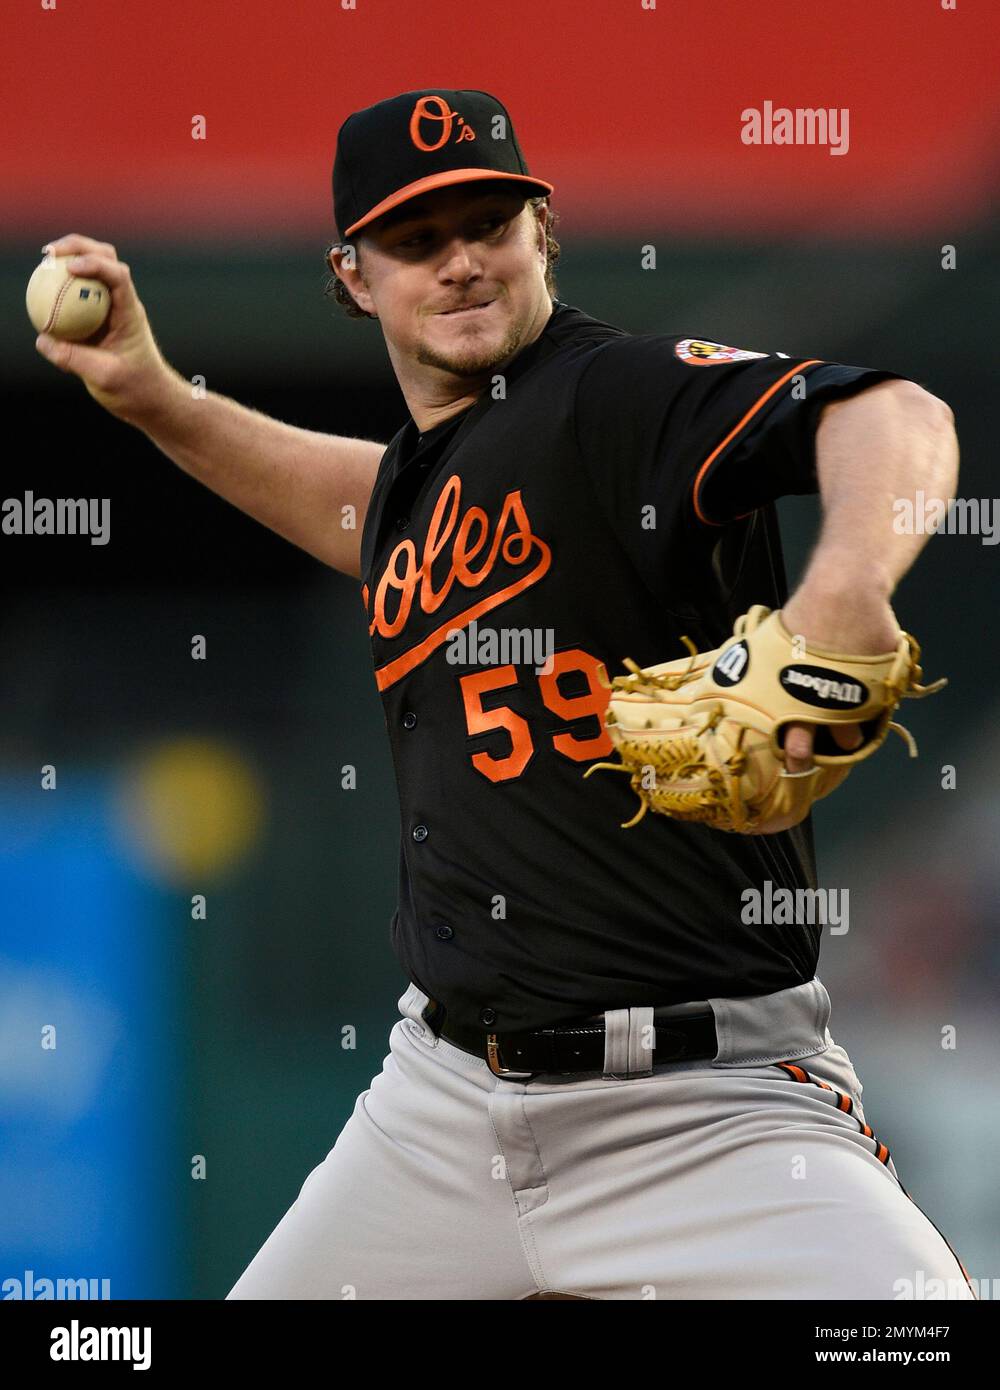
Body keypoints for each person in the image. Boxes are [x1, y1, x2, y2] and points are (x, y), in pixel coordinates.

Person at [37, 88, 973, 1301]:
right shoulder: (431, 477)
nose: (463, 262)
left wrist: (844, 586)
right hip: (441, 1106)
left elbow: (897, 413)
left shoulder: (612, 397)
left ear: (545, 231)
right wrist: (156, 397)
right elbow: (361, 512)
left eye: (490, 222)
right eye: (418, 241)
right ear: (353, 277)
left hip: (704, 1109)